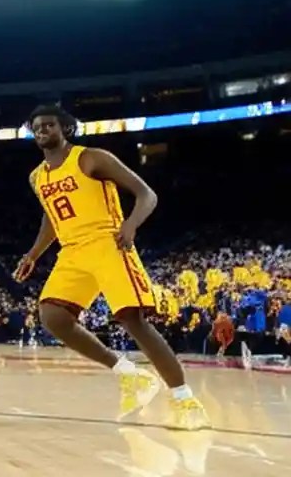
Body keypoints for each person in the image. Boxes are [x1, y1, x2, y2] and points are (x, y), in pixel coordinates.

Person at [12, 104, 210, 431]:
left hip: (108, 241)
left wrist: (130, 225)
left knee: (133, 319)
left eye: (48, 125)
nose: (42, 131)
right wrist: (33, 253)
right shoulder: (37, 177)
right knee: (53, 316)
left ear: (66, 129)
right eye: (36, 128)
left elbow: (146, 194)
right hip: (72, 251)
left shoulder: (91, 158)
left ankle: (185, 399)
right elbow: (51, 216)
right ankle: (129, 374)